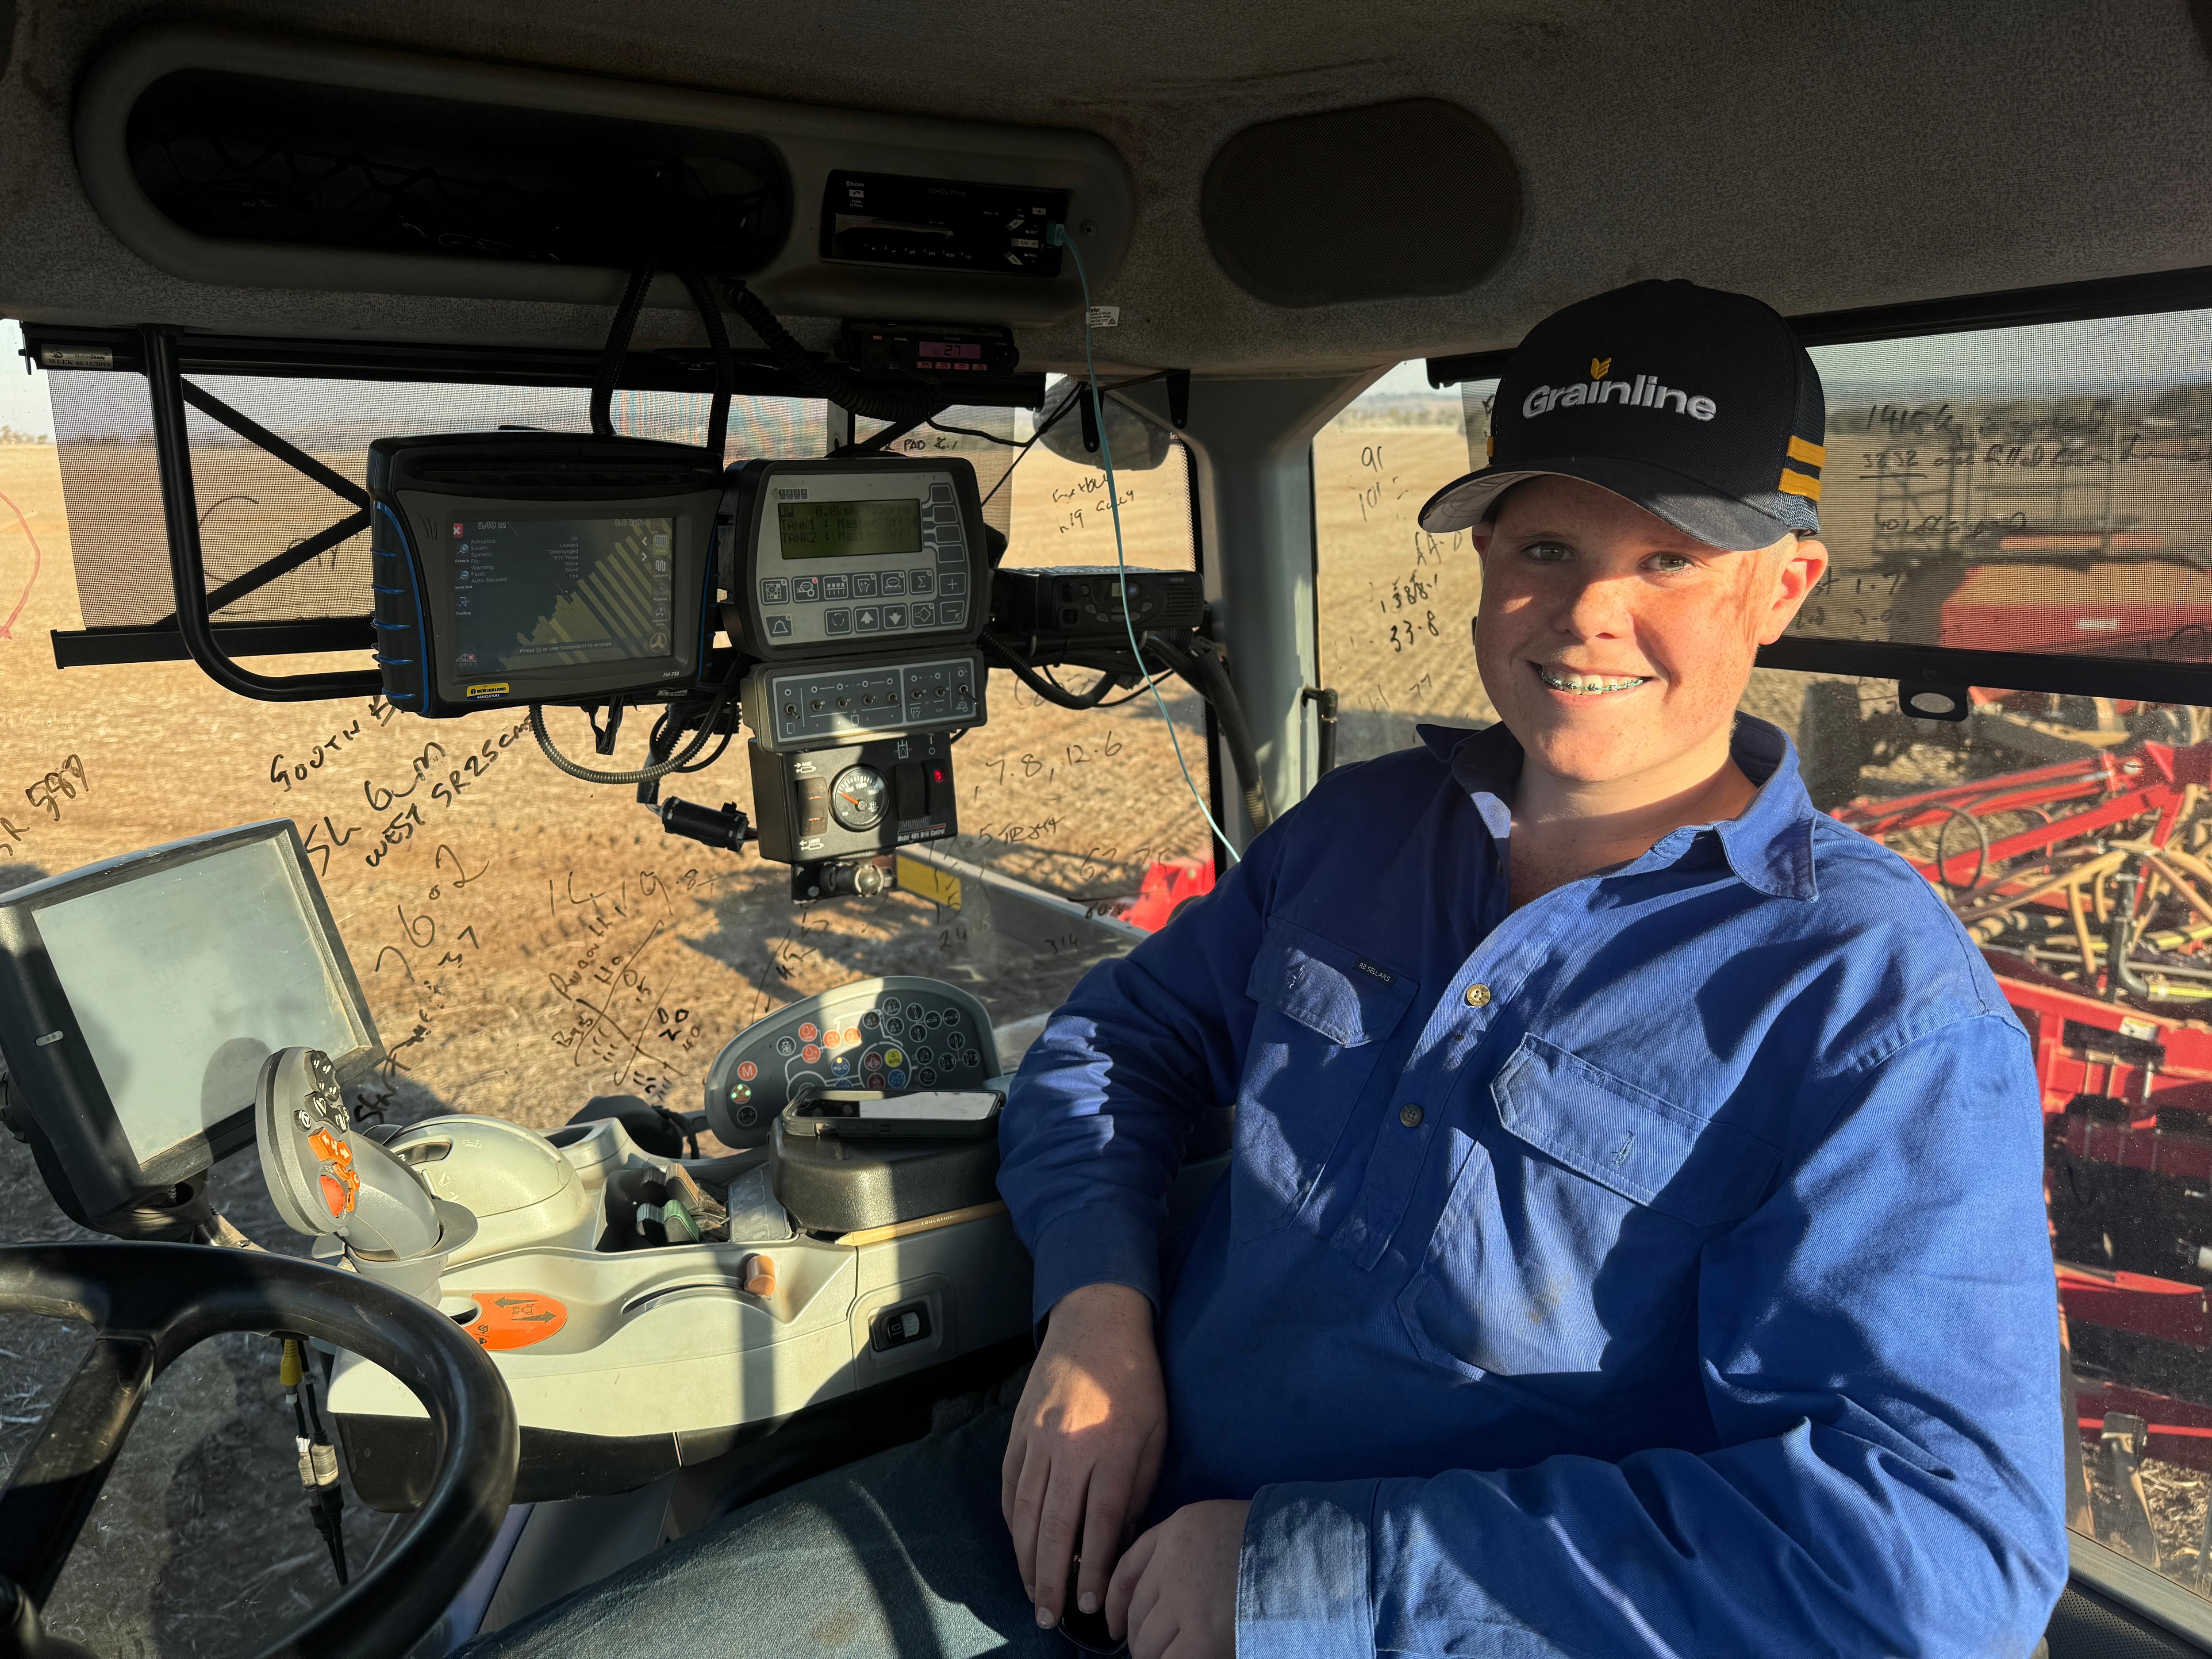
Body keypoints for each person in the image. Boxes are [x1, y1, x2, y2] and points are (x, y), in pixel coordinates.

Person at [472, 280, 2066, 1659]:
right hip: (1069, 1497)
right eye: (1548, 545)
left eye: (1670, 563)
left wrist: (1310, 1584)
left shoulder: (1870, 1009)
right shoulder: (1365, 829)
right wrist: (1097, 1312)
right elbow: (1120, 1042)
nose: (1587, 613)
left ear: (1784, 584)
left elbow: (1935, 1566)